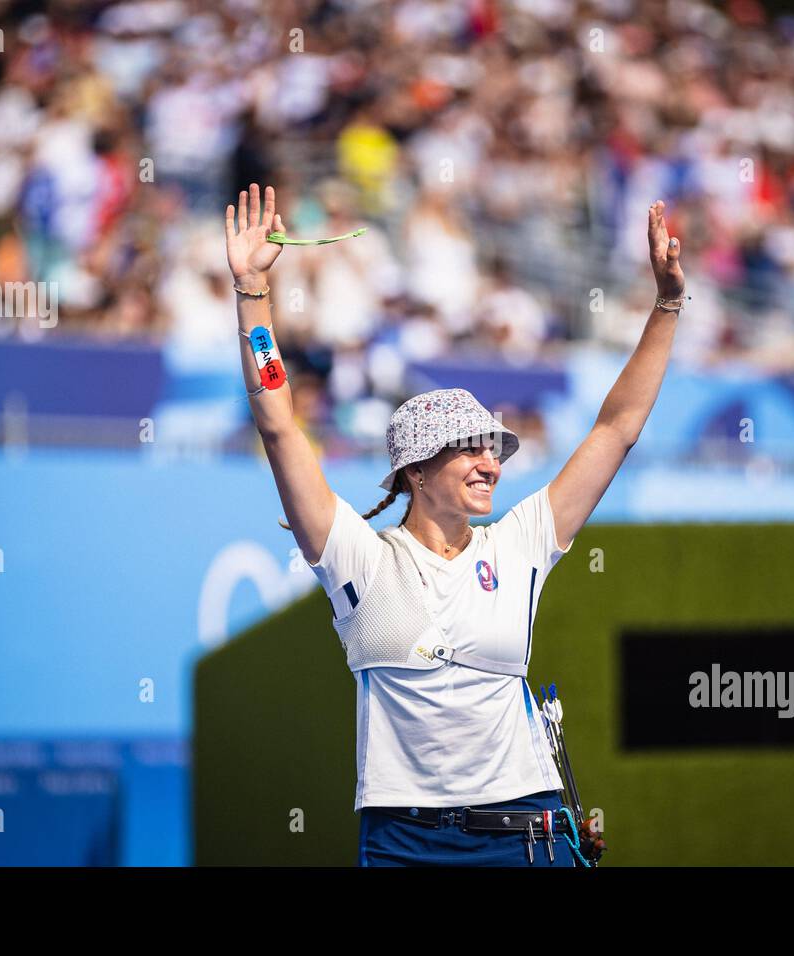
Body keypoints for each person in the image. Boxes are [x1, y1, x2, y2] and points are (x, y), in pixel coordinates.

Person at [226, 182, 686, 866]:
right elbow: (280, 429)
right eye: (469, 448)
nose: (490, 463)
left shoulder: (522, 540)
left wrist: (668, 304)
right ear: (416, 470)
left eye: (493, 449)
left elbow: (617, 428)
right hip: (400, 844)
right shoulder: (358, 557)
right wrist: (251, 293)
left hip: (522, 837)